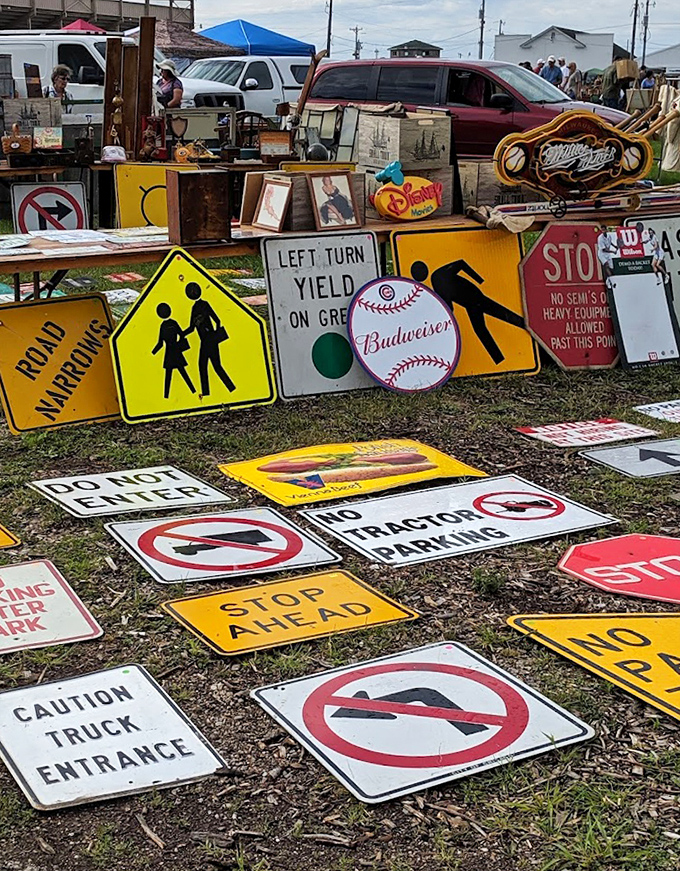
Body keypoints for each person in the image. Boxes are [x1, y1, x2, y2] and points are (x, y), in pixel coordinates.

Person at [183, 282, 235, 396]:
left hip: (208, 341)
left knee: (205, 365)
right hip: (208, 340)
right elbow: (193, 327)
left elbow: (215, 320)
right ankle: (229, 388)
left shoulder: (200, 306)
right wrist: (182, 334)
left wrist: (214, 335)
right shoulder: (199, 306)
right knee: (213, 366)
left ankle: (219, 390)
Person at [152, 303, 196, 400]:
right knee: (181, 372)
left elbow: (160, 343)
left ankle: (166, 396)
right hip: (176, 350)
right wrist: (191, 328)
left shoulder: (163, 326)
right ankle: (193, 391)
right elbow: (182, 334)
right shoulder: (173, 323)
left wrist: (152, 352)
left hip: (169, 352)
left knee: (170, 375)